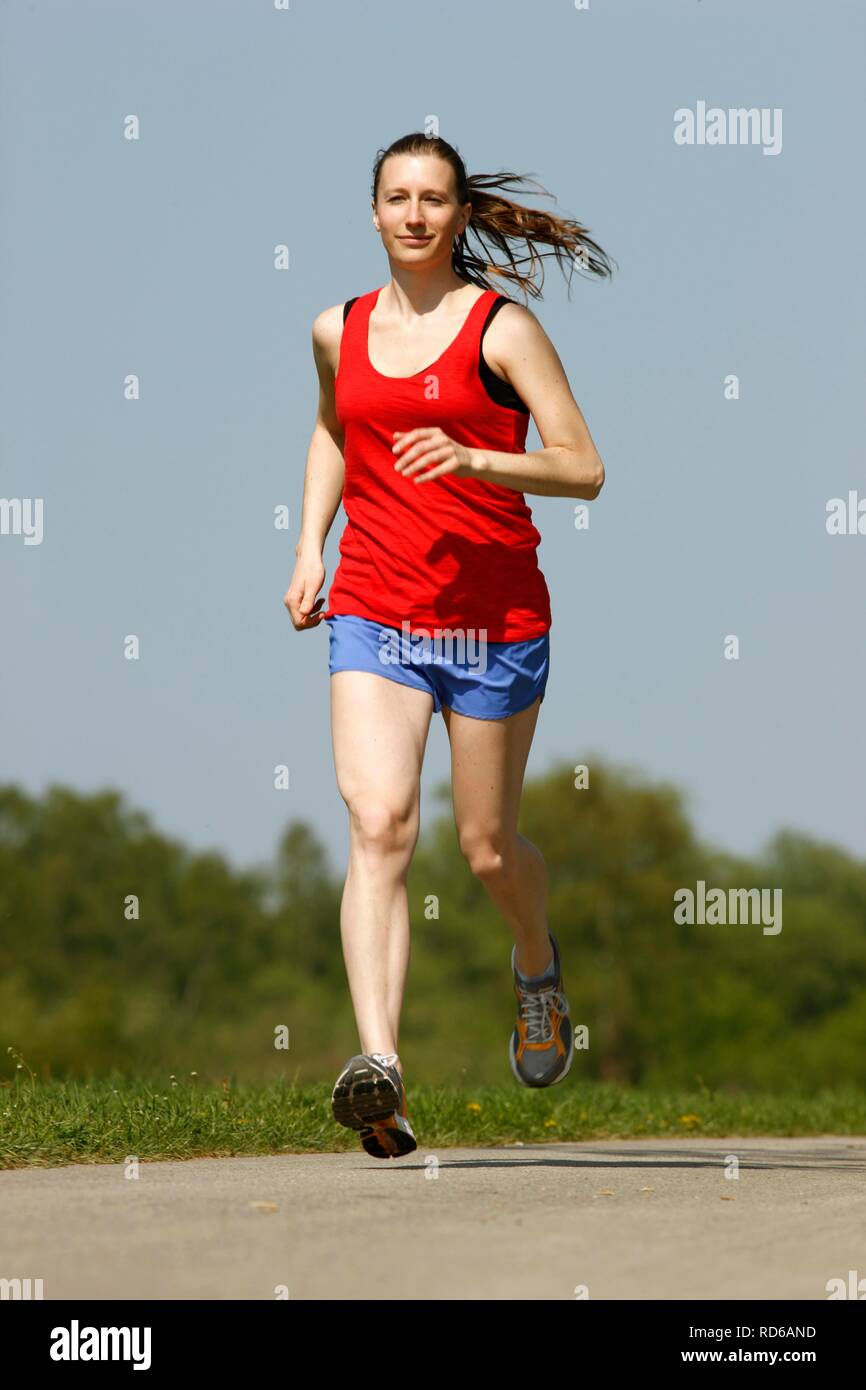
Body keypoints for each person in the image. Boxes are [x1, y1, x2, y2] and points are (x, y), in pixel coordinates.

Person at [284, 131, 613, 1159]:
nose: (415, 215)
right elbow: (337, 430)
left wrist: (476, 455)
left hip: (493, 619)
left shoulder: (498, 332)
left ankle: (533, 963)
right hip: (376, 609)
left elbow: (585, 467)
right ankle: (379, 1071)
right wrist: (308, 546)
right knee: (378, 824)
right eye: (397, 198)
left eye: (434, 199)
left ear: (461, 214)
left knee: (481, 848)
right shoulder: (336, 328)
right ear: (372, 212)